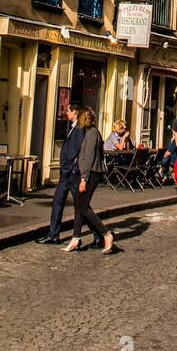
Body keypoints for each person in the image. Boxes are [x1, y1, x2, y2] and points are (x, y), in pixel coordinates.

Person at [65, 108, 114, 254]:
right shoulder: (92, 132)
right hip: (90, 173)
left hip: (91, 174)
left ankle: (106, 234)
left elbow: (89, 158)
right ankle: (76, 238)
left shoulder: (92, 134)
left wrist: (83, 179)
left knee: (83, 207)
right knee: (80, 205)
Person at [35, 102, 83, 245]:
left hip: (72, 174)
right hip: (66, 174)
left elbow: (78, 150)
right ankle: (53, 235)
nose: (66, 113)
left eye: (68, 111)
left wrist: (73, 168)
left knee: (81, 206)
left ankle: (99, 233)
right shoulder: (73, 127)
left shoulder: (79, 129)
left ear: (75, 112)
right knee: (58, 201)